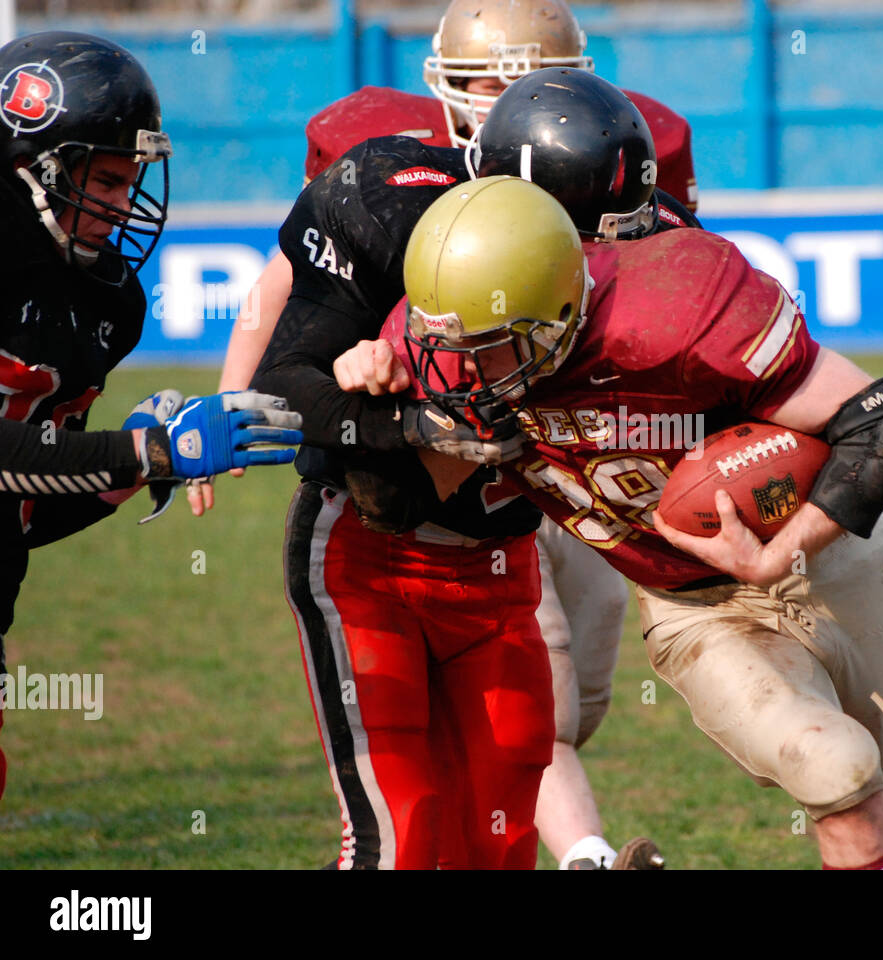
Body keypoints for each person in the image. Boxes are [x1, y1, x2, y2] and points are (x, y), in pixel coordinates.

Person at [354, 165, 883, 868]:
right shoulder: (434, 348)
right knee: (837, 774)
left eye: (491, 343)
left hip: (826, 557)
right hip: (695, 608)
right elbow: (390, 505)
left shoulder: (673, 311)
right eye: (450, 347)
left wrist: (780, 552)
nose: (464, 369)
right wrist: (385, 417)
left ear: (559, 313)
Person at [220, 8, 697, 866]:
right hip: (371, 546)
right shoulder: (388, 200)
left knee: (502, 837)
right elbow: (286, 377)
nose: (591, 253)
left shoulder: (641, 222)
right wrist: (393, 415)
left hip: (501, 556)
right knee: (402, 834)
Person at [0, 31, 302, 803]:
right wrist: (143, 452)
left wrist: (130, 472)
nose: (122, 203)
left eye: (131, 179)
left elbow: (24, 511)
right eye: (104, 179)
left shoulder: (107, 303)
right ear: (32, 164)